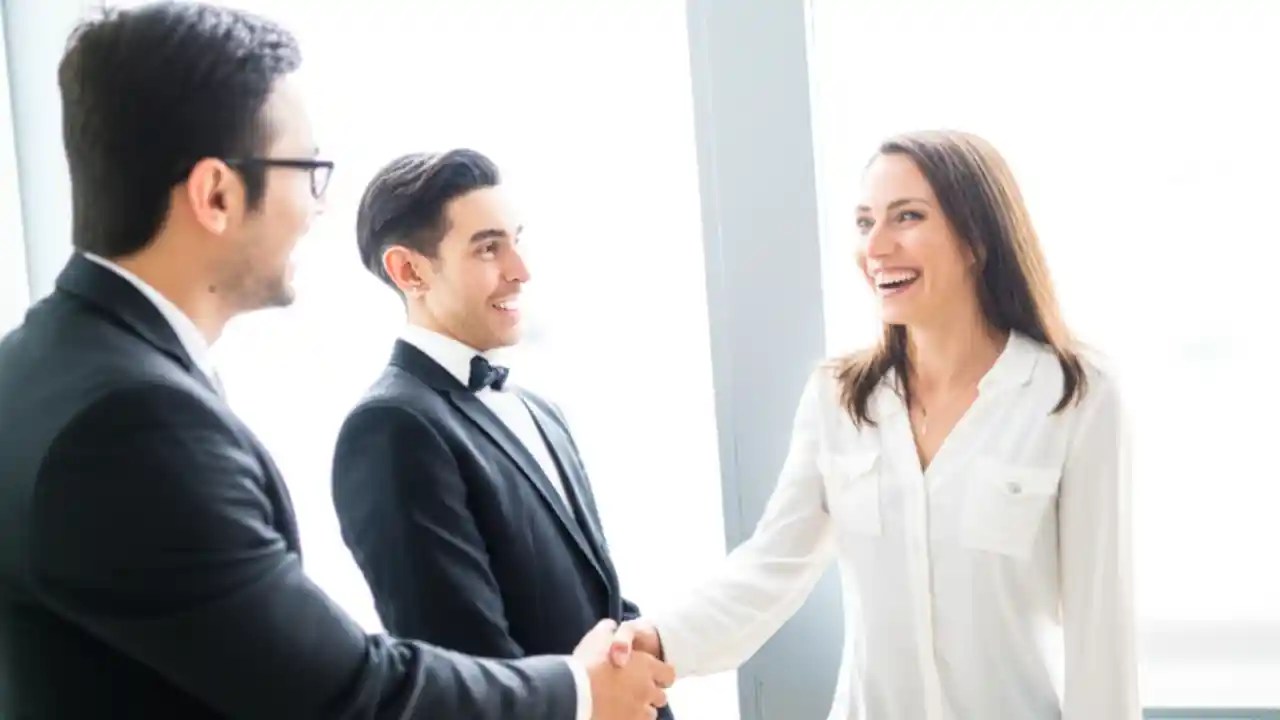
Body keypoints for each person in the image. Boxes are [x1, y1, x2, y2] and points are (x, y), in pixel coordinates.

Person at [0, 4, 671, 719]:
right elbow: (339, 692)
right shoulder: (134, 423)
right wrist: (579, 691)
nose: (318, 209)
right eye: (308, 169)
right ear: (217, 194)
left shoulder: (41, 366)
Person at [609, 130, 1140, 719]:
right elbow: (771, 567)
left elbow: (1101, 626)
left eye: (907, 217)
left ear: (975, 239)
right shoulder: (839, 398)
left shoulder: (1075, 394)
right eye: (865, 223)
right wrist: (656, 637)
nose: (876, 246)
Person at [331, 149, 673, 719]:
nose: (521, 269)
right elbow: (462, 667)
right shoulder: (390, 429)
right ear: (409, 271)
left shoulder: (541, 411)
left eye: (516, 240)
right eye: (489, 247)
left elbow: (606, 610)